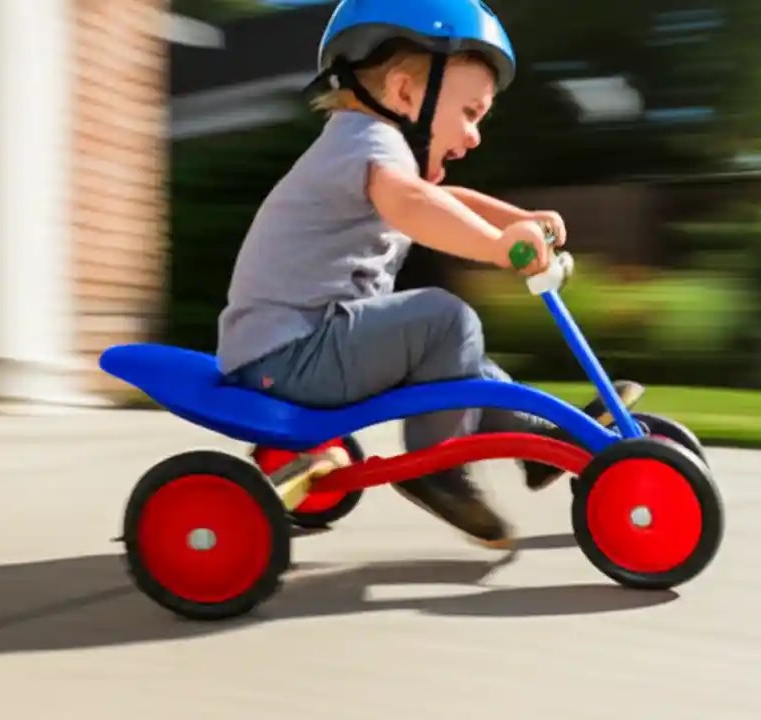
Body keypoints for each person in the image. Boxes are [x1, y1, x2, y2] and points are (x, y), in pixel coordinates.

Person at [216, 0, 642, 549]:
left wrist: (516, 221)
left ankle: (538, 444)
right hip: (288, 355)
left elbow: (444, 198)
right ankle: (433, 468)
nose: (474, 136)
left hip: (305, 347)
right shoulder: (366, 142)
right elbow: (416, 204)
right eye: (469, 113)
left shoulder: (367, 146)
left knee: (462, 366)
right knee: (444, 321)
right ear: (404, 94)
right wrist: (495, 246)